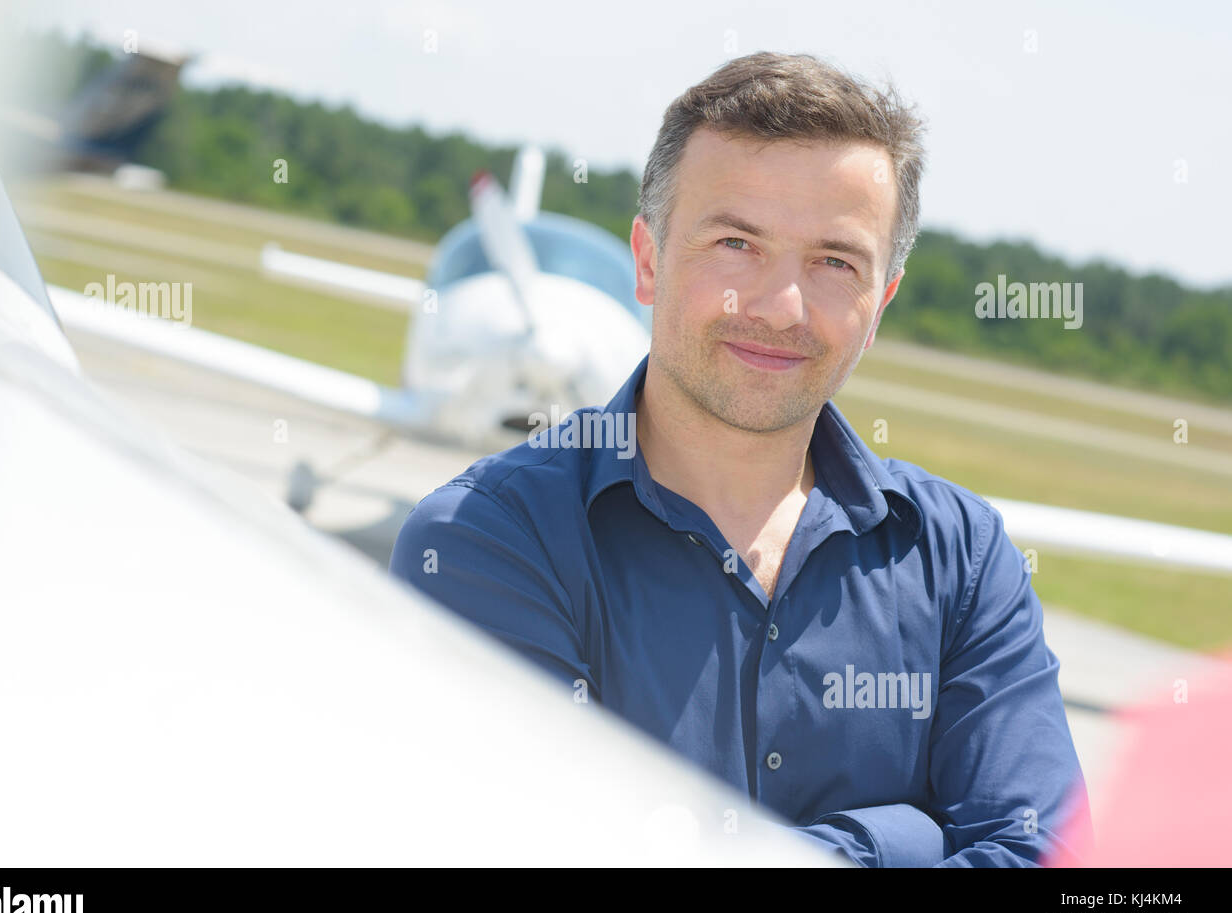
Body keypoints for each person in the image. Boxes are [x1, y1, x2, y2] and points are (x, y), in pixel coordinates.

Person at [390, 51, 1089, 867]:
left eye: (834, 261)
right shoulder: (483, 543)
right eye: (736, 243)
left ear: (880, 305)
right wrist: (903, 838)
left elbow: (1055, 866)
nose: (779, 307)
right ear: (647, 262)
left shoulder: (962, 559)